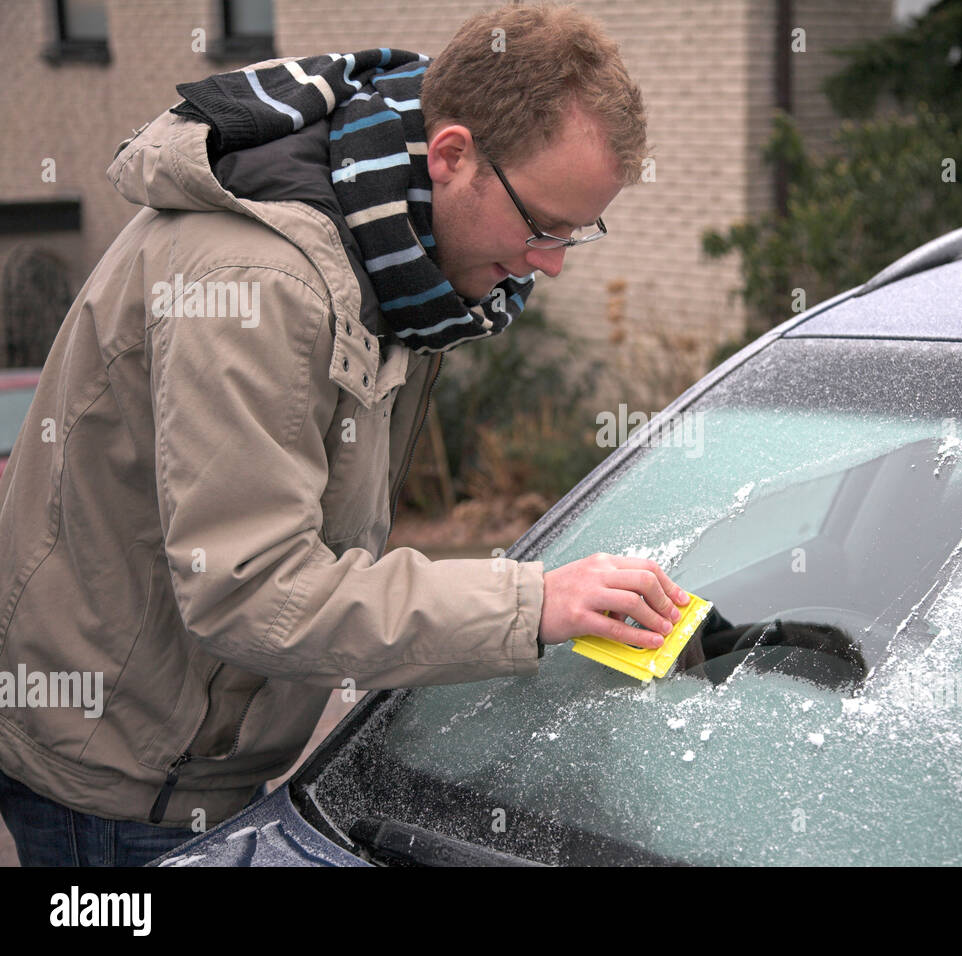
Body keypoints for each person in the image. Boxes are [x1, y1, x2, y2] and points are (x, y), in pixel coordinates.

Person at [0, 3, 687, 866]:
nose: (550, 264)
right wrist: (529, 603)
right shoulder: (260, 283)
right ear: (451, 156)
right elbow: (249, 589)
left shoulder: (392, 251)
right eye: (543, 226)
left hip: (197, 754)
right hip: (124, 784)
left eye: (576, 233)